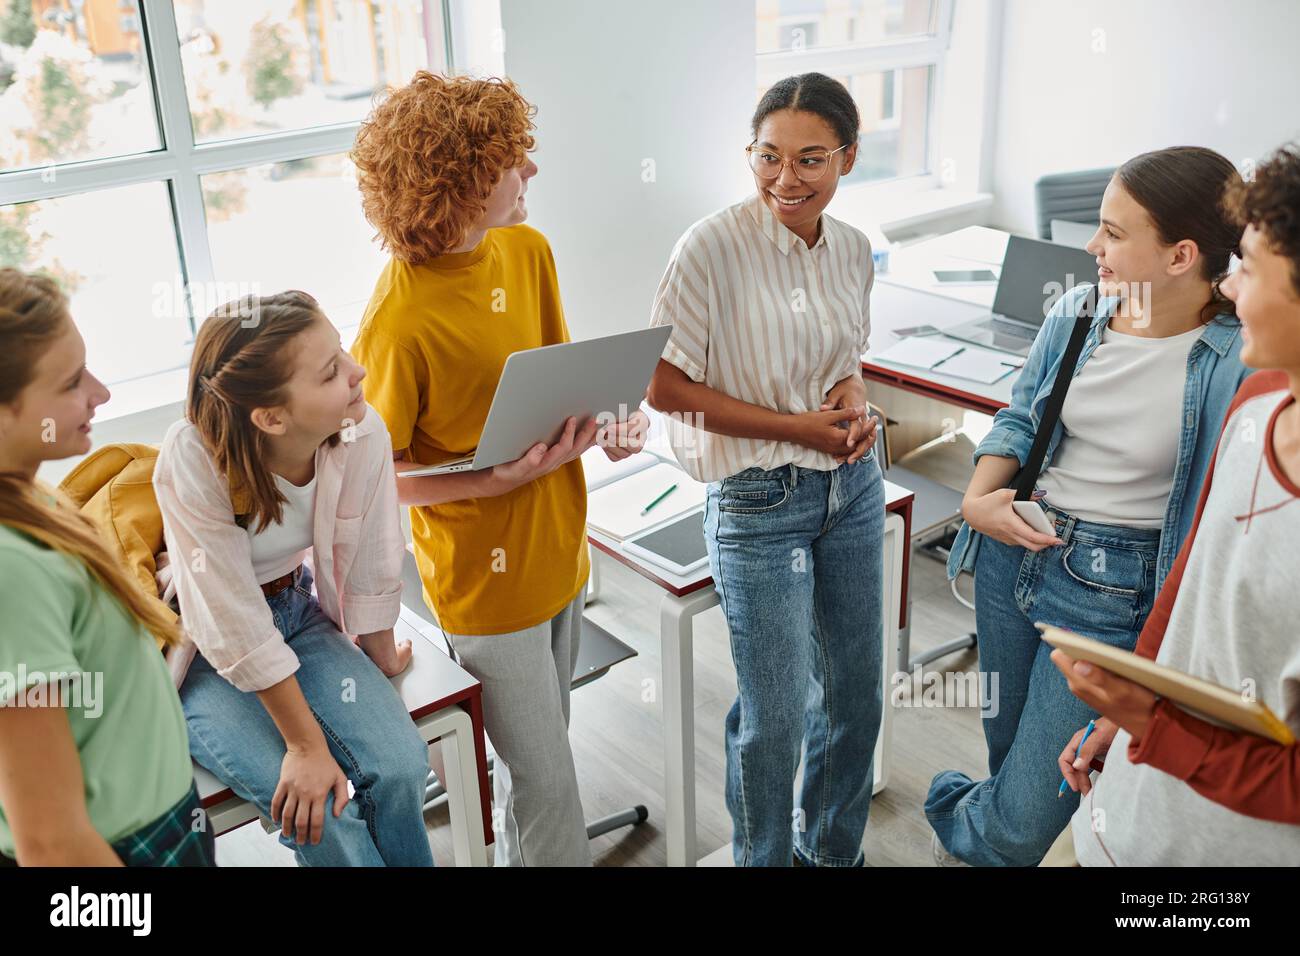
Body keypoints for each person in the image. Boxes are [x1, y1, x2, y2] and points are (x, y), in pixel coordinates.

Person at [350, 72, 647, 866]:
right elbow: (371, 477)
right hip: (484, 580)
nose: (532, 172)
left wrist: (616, 420)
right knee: (547, 781)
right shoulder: (400, 314)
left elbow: (560, 381)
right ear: (458, 184)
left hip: (560, 545)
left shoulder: (527, 249)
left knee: (542, 762)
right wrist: (488, 483)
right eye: (512, 161)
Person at [927, 147, 1251, 866]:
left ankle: (964, 816)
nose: (1090, 246)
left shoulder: (1235, 359)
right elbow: (1019, 414)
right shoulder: (1078, 313)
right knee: (1011, 753)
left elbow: (1223, 519)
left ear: (1181, 255)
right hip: (1019, 552)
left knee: (1023, 821)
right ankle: (994, 810)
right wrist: (979, 496)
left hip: (1115, 590)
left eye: (1111, 230)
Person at [646, 72, 883, 867]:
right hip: (757, 502)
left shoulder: (851, 248)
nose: (787, 178)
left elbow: (847, 357)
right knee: (776, 716)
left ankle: (832, 854)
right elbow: (663, 385)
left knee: (855, 697)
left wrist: (852, 398)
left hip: (850, 489)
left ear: (849, 157)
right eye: (769, 155)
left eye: (811, 159)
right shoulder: (710, 247)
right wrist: (796, 430)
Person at [1046, 142, 1300, 866]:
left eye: (1248, 266)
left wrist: (1153, 728)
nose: (1229, 287)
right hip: (1119, 819)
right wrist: (1123, 717)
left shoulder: (1225, 372)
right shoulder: (1258, 398)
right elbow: (1191, 583)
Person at [155, 290, 433, 867]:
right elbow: (229, 618)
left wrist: (378, 661)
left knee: (403, 765)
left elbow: (374, 556)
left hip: (296, 613)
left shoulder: (362, 431)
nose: (357, 372)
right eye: (332, 370)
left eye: (344, 351)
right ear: (271, 417)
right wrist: (305, 744)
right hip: (205, 649)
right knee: (323, 812)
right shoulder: (192, 457)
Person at [0, 267, 213, 866]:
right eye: (71, 383)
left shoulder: (34, 499)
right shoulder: (10, 568)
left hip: (158, 817)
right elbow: (50, 843)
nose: (102, 393)